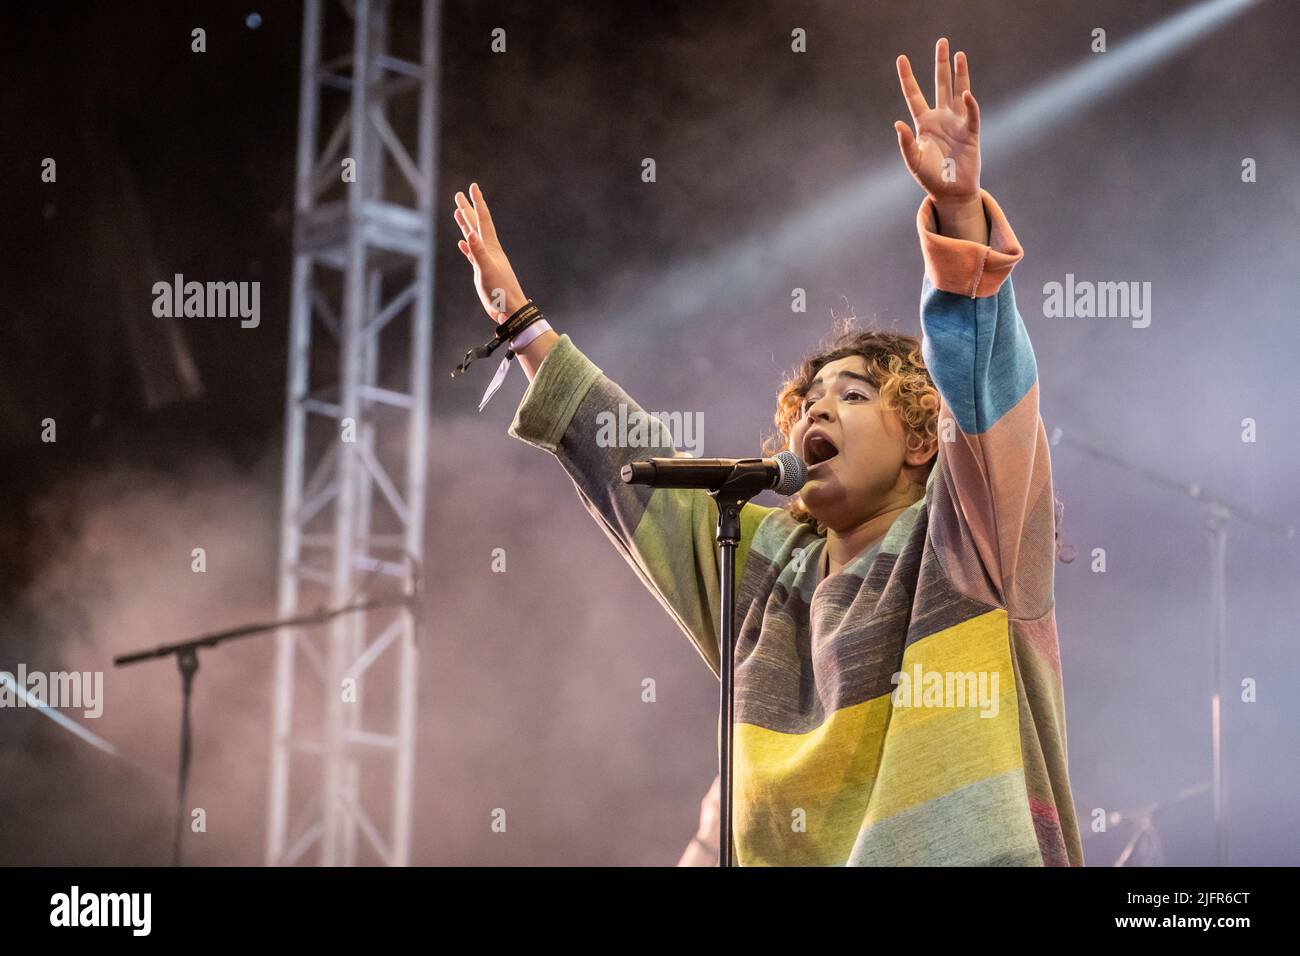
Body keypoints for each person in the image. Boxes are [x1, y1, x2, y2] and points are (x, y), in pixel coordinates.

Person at [452, 38, 1082, 866]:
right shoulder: (767, 571)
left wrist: (961, 221)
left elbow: (986, 390)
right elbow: (633, 467)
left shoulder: (969, 539)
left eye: (856, 395)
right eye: (810, 401)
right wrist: (523, 327)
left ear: (925, 441)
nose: (822, 404)